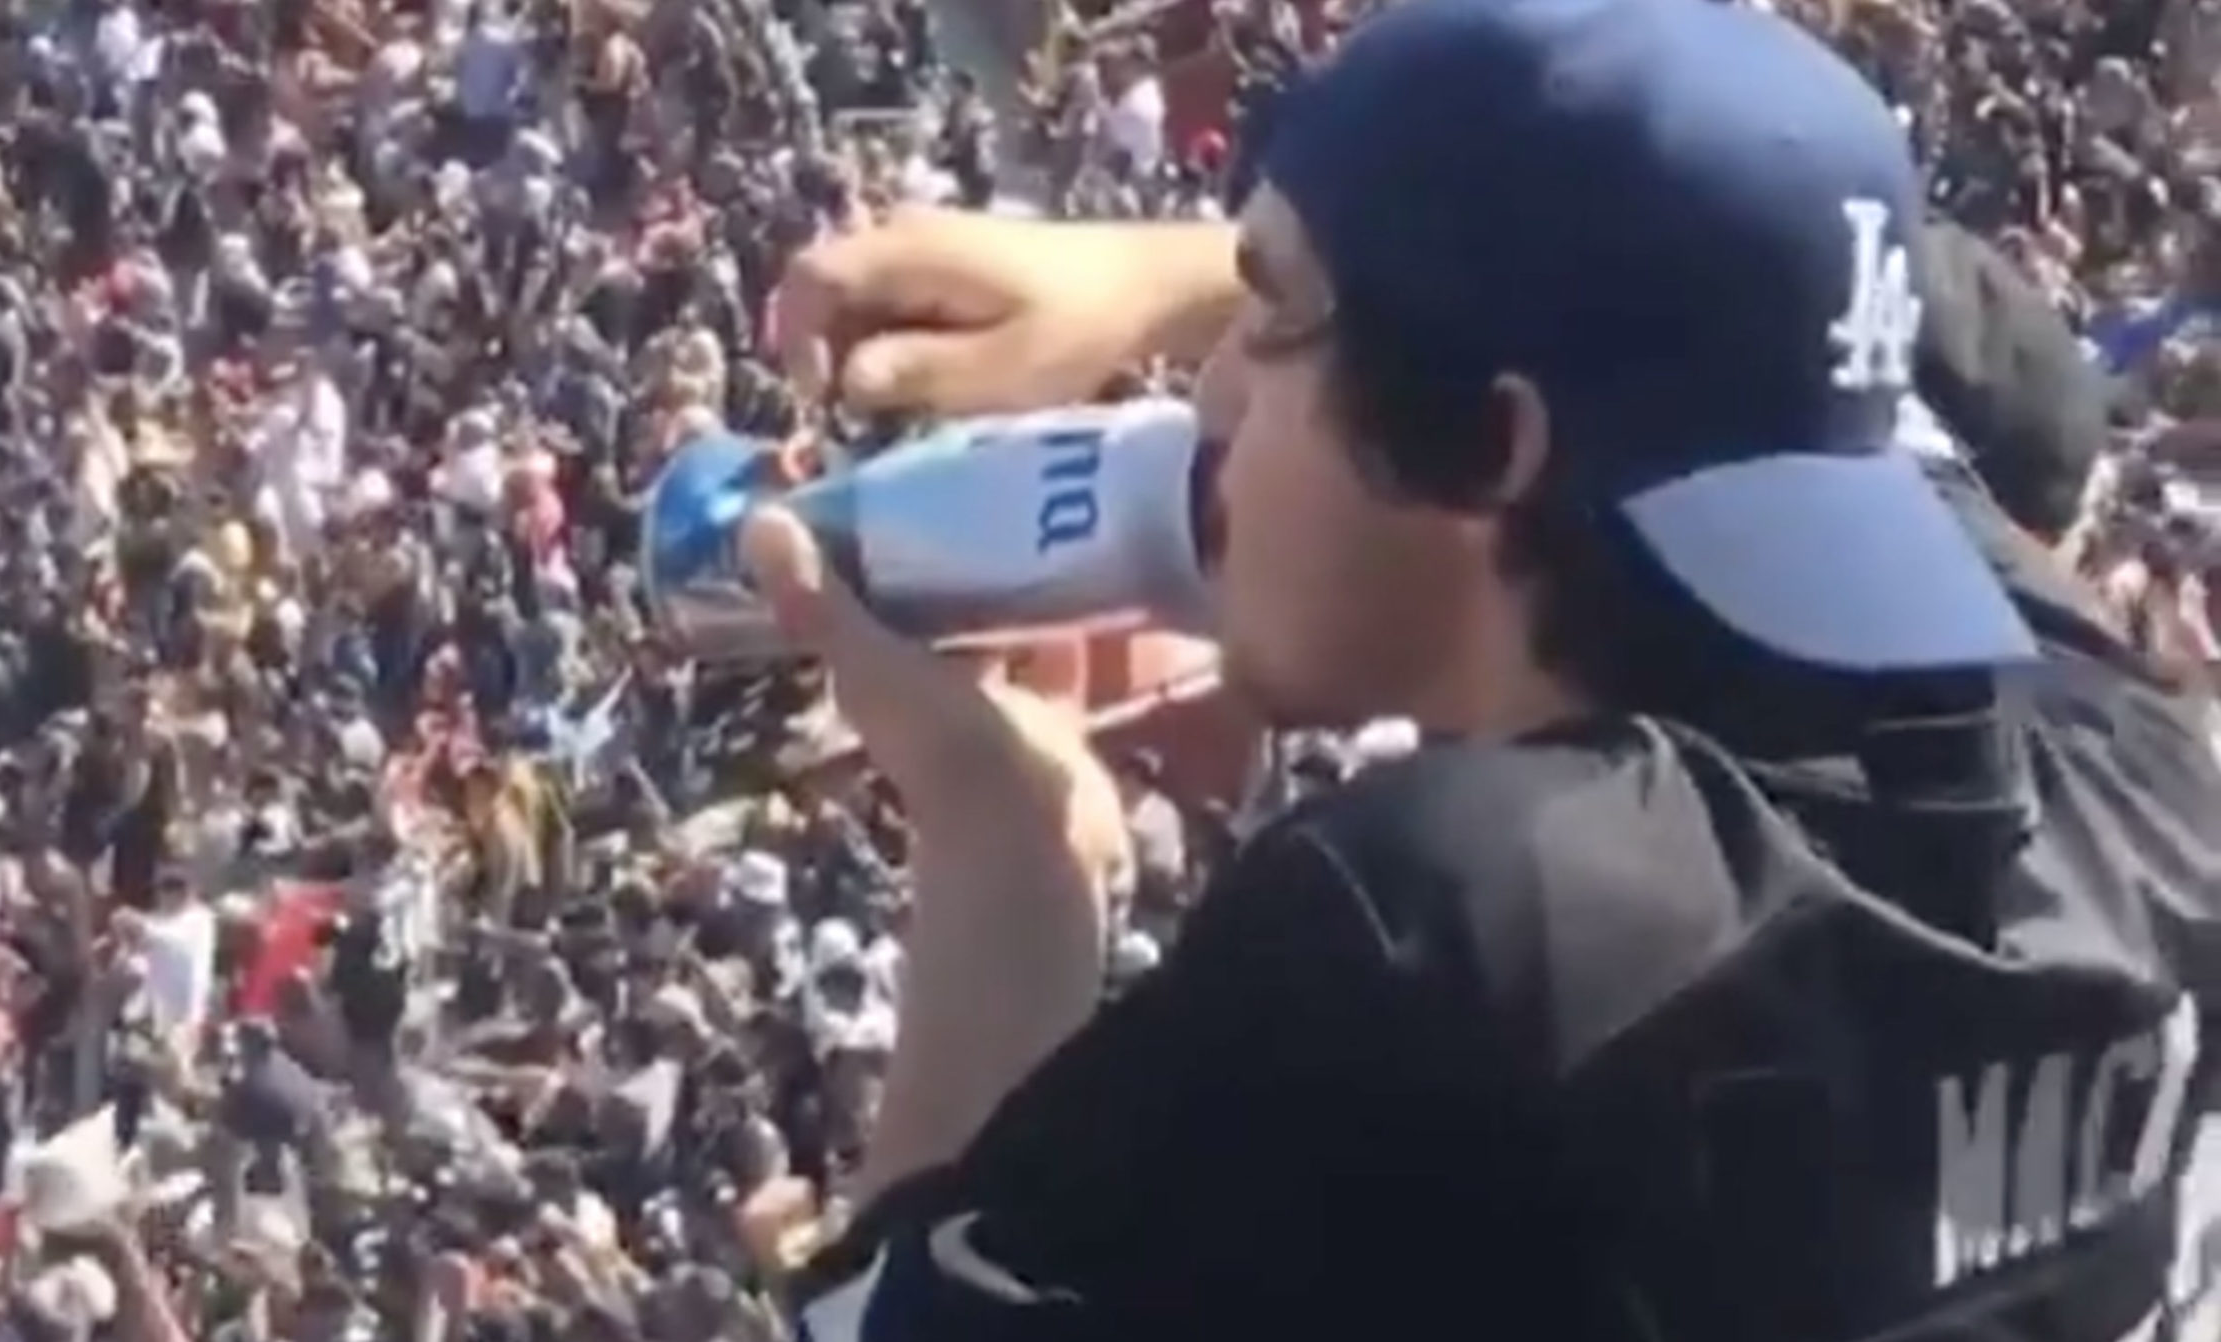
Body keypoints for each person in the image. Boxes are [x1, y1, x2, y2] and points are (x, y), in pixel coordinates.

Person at [758, 0, 2221, 1339]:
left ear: (1488, 445)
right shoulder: (2141, 763)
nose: (1208, 396)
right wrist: (1176, 271)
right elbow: (1847, 351)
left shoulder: (1455, 934)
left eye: (1269, 323)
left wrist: (1007, 861)